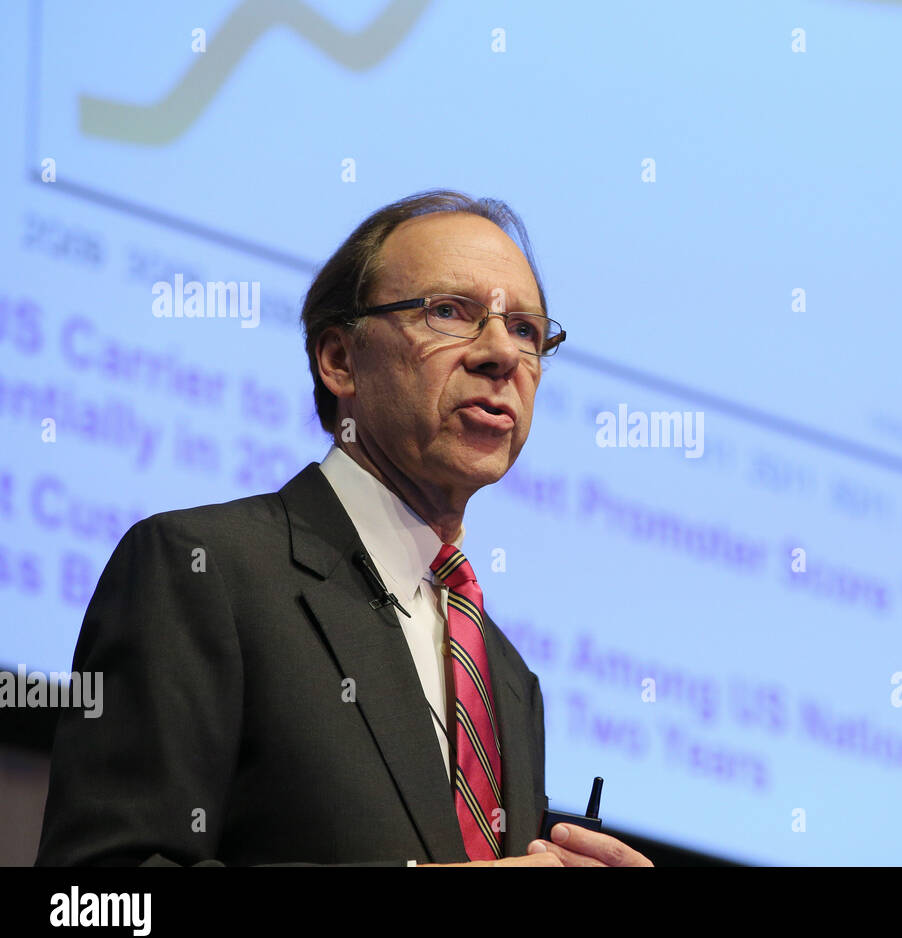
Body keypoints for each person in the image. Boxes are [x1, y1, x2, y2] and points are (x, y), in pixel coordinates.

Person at [36, 190, 652, 868]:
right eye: (450, 312)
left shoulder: (508, 679)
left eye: (528, 331)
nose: (502, 354)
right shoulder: (203, 569)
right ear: (340, 361)